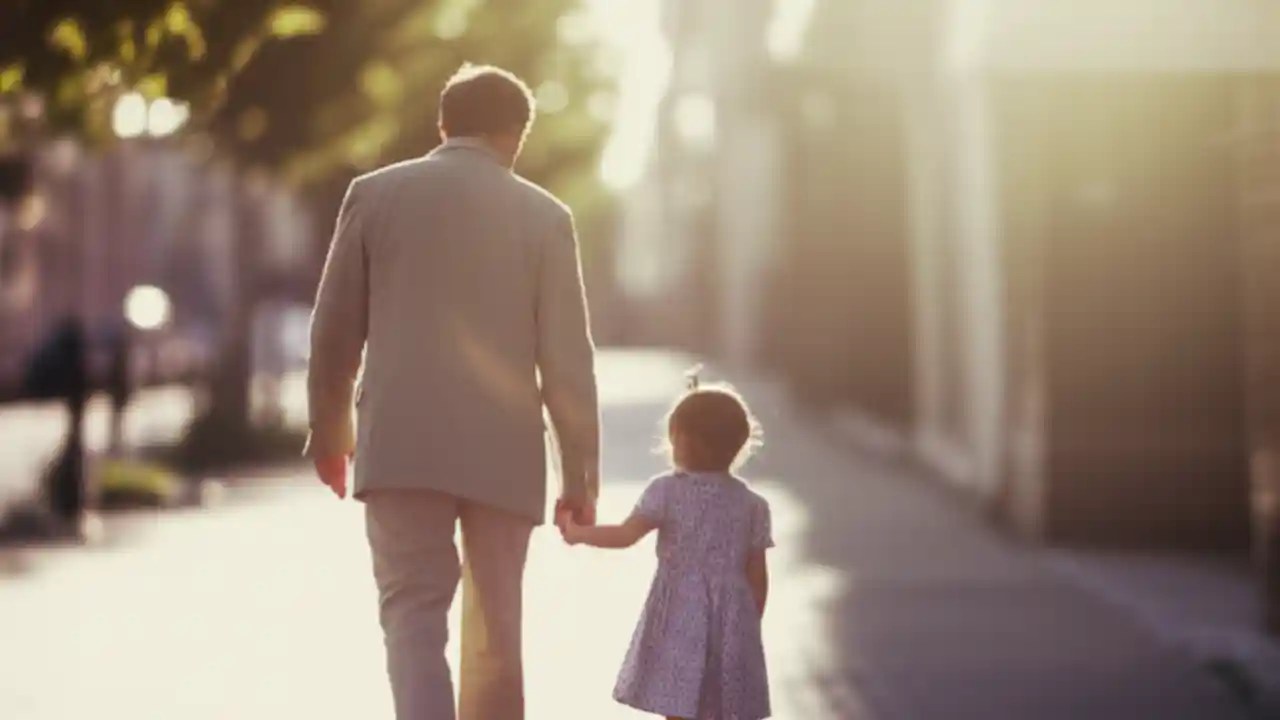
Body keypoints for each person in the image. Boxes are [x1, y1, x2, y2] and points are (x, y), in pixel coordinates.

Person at [305, 63, 599, 720]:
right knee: (496, 630)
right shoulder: (546, 218)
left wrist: (330, 435)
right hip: (504, 452)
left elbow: (334, 331)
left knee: (411, 618)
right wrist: (578, 476)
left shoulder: (373, 195)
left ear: (442, 124)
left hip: (401, 445)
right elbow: (568, 361)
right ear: (517, 135)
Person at [559, 382, 772, 720]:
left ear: (682, 440)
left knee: (678, 701)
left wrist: (578, 533)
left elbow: (625, 535)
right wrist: (747, 624)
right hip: (732, 620)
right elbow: (757, 575)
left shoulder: (667, 491)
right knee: (723, 707)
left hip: (678, 615)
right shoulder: (753, 505)